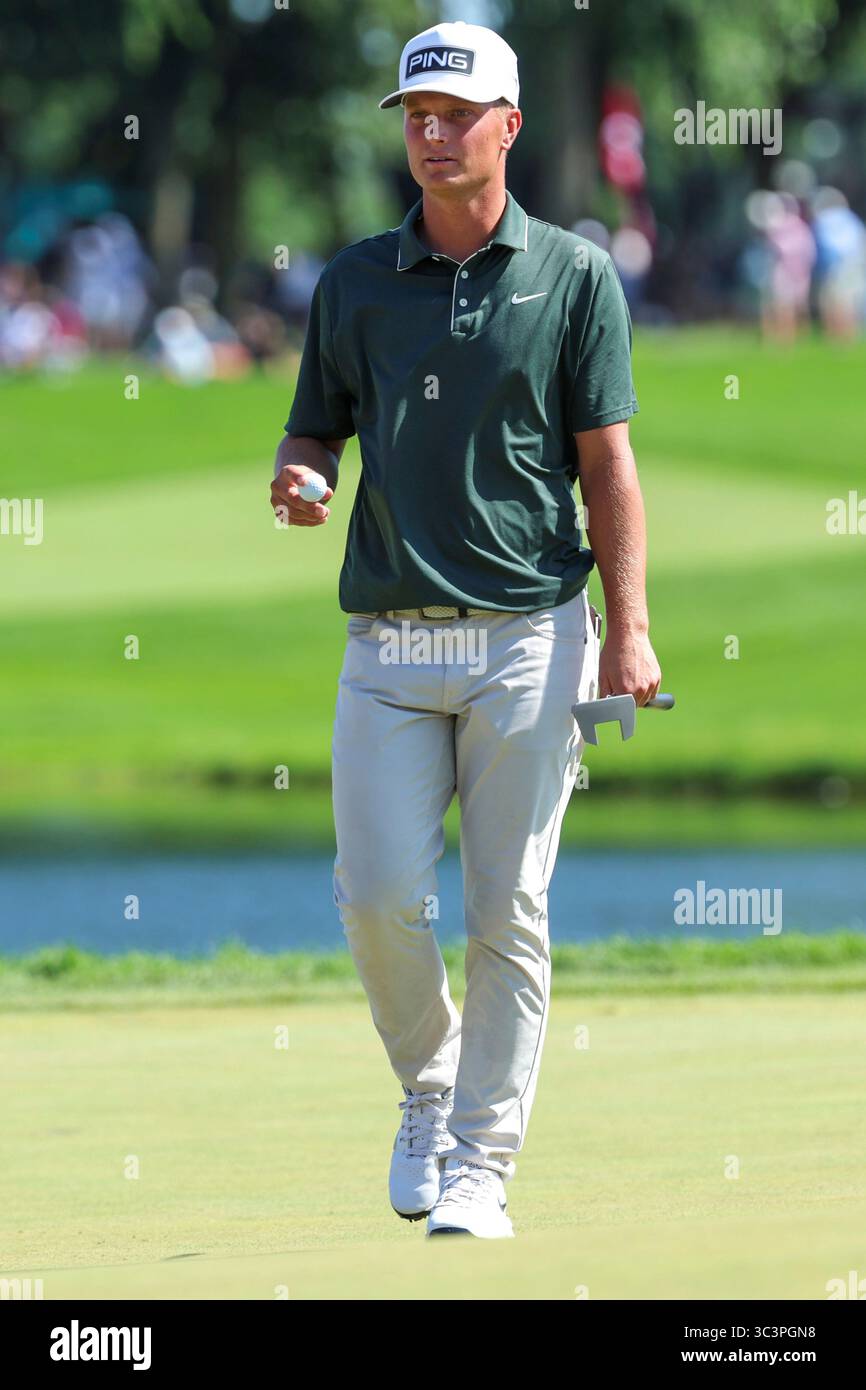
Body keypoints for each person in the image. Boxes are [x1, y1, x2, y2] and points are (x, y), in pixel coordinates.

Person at [270, 20, 661, 1239]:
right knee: (377, 893)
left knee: (508, 911)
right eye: (414, 118)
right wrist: (297, 477)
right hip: (388, 644)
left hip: (530, 639)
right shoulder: (354, 282)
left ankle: (481, 1167)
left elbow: (608, 467)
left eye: (453, 115)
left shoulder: (573, 277)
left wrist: (628, 631)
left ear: (507, 126)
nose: (430, 136)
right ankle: (429, 1087)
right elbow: (310, 429)